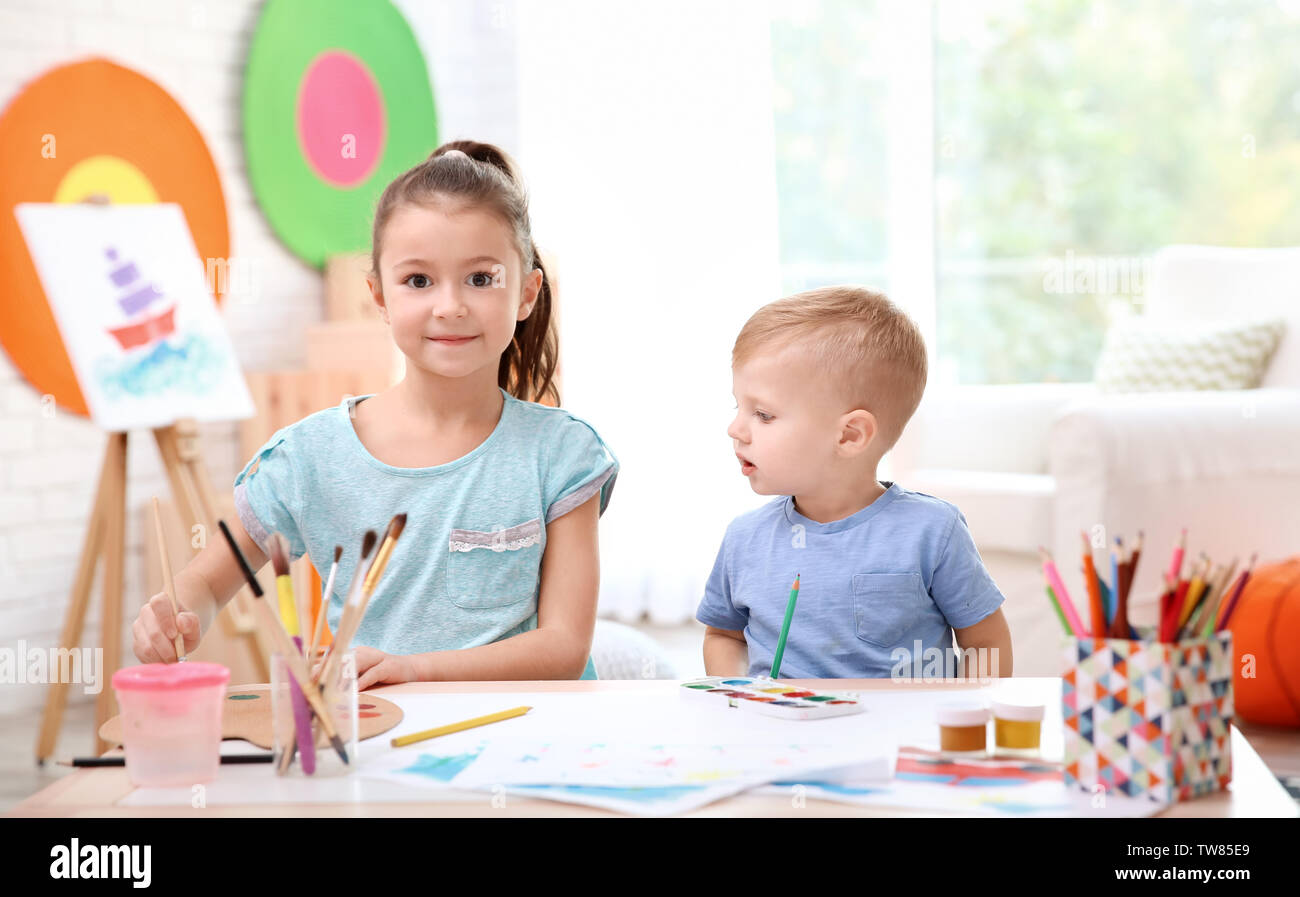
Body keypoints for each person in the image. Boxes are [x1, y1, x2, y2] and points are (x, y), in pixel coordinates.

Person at [132, 141, 617, 689]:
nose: (449, 306)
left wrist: (416, 670)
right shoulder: (309, 457)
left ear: (526, 293)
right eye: (418, 281)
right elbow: (206, 584)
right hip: (382, 729)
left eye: (481, 279)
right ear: (379, 297)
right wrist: (177, 613)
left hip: (532, 729)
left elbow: (563, 649)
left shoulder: (562, 453)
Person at [698, 285, 1011, 680]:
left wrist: (969, 710)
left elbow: (985, 641)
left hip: (902, 722)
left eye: (762, 414)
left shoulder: (933, 531)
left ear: (849, 435)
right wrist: (737, 690)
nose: (735, 429)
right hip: (776, 721)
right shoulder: (744, 538)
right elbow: (723, 635)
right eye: (738, 406)